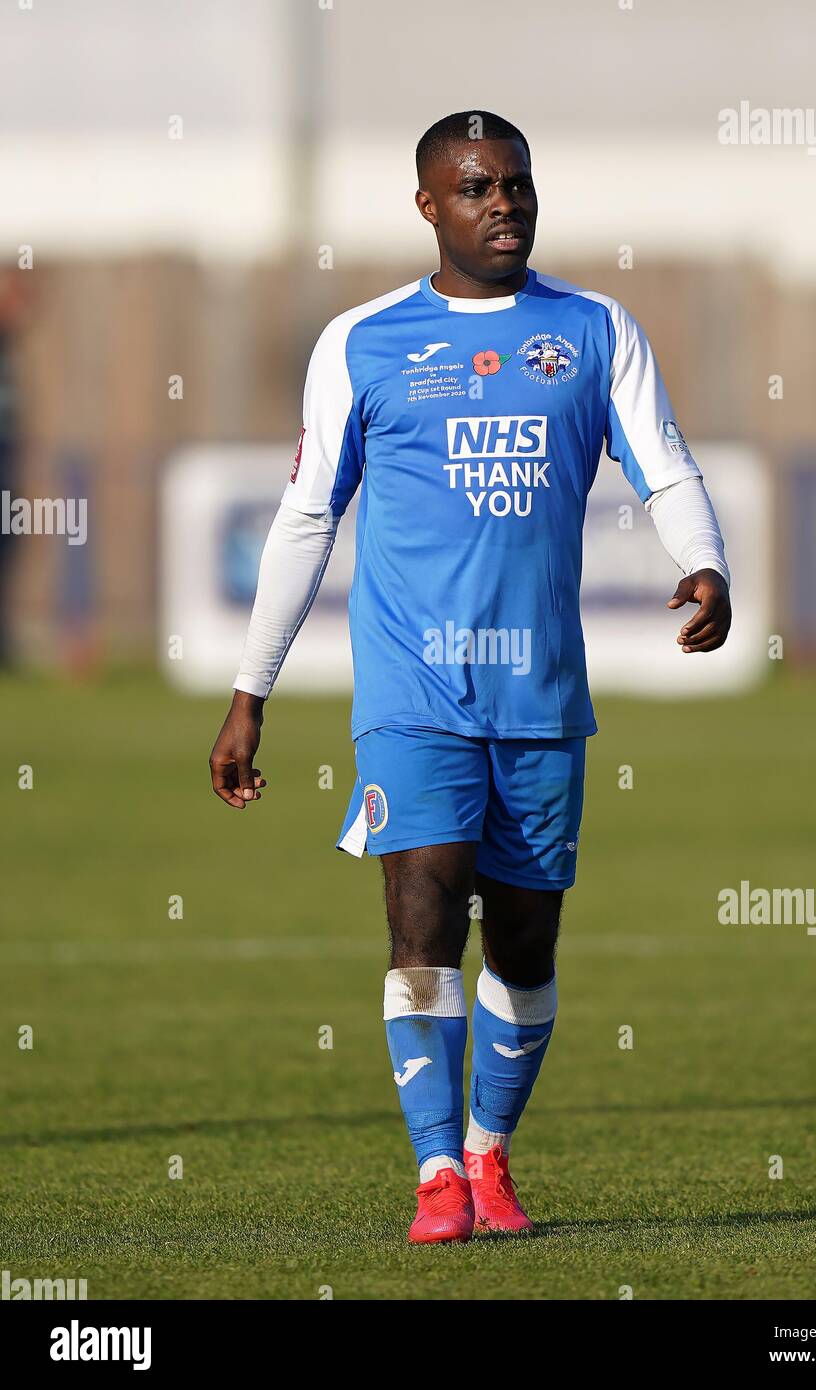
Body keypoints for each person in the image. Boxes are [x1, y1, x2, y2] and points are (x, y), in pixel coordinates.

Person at [209, 111, 731, 1244]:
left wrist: (706, 561)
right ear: (429, 206)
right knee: (423, 906)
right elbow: (306, 518)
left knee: (527, 944)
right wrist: (252, 691)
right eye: (478, 186)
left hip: (540, 694)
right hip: (412, 689)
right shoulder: (363, 342)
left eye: (518, 184)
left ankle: (491, 1155)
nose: (504, 202)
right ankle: (438, 1173)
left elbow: (668, 462)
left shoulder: (593, 332)